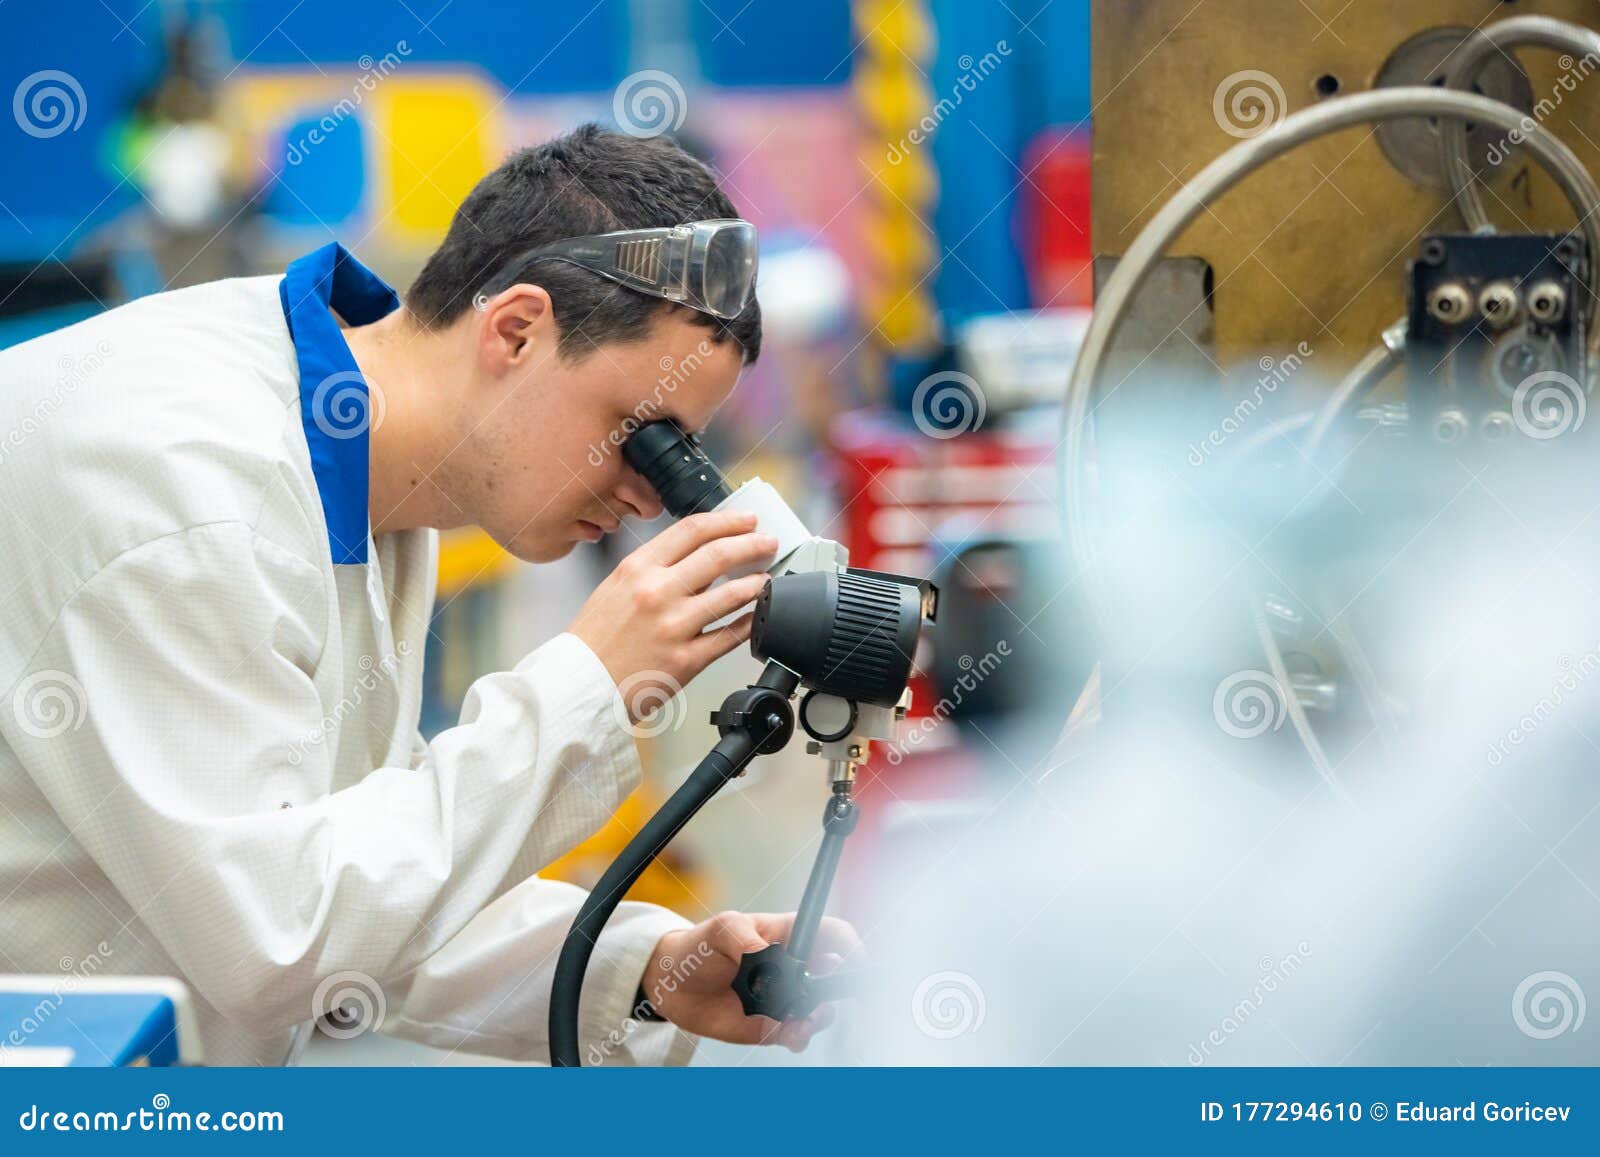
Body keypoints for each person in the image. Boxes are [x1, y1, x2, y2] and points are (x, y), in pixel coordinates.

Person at [0, 124, 858, 1066]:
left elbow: (364, 889)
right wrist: (588, 683)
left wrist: (645, 966)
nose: (652, 493)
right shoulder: (191, 489)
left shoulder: (355, 455)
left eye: (681, 452)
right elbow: (279, 936)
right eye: (638, 430)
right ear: (516, 329)